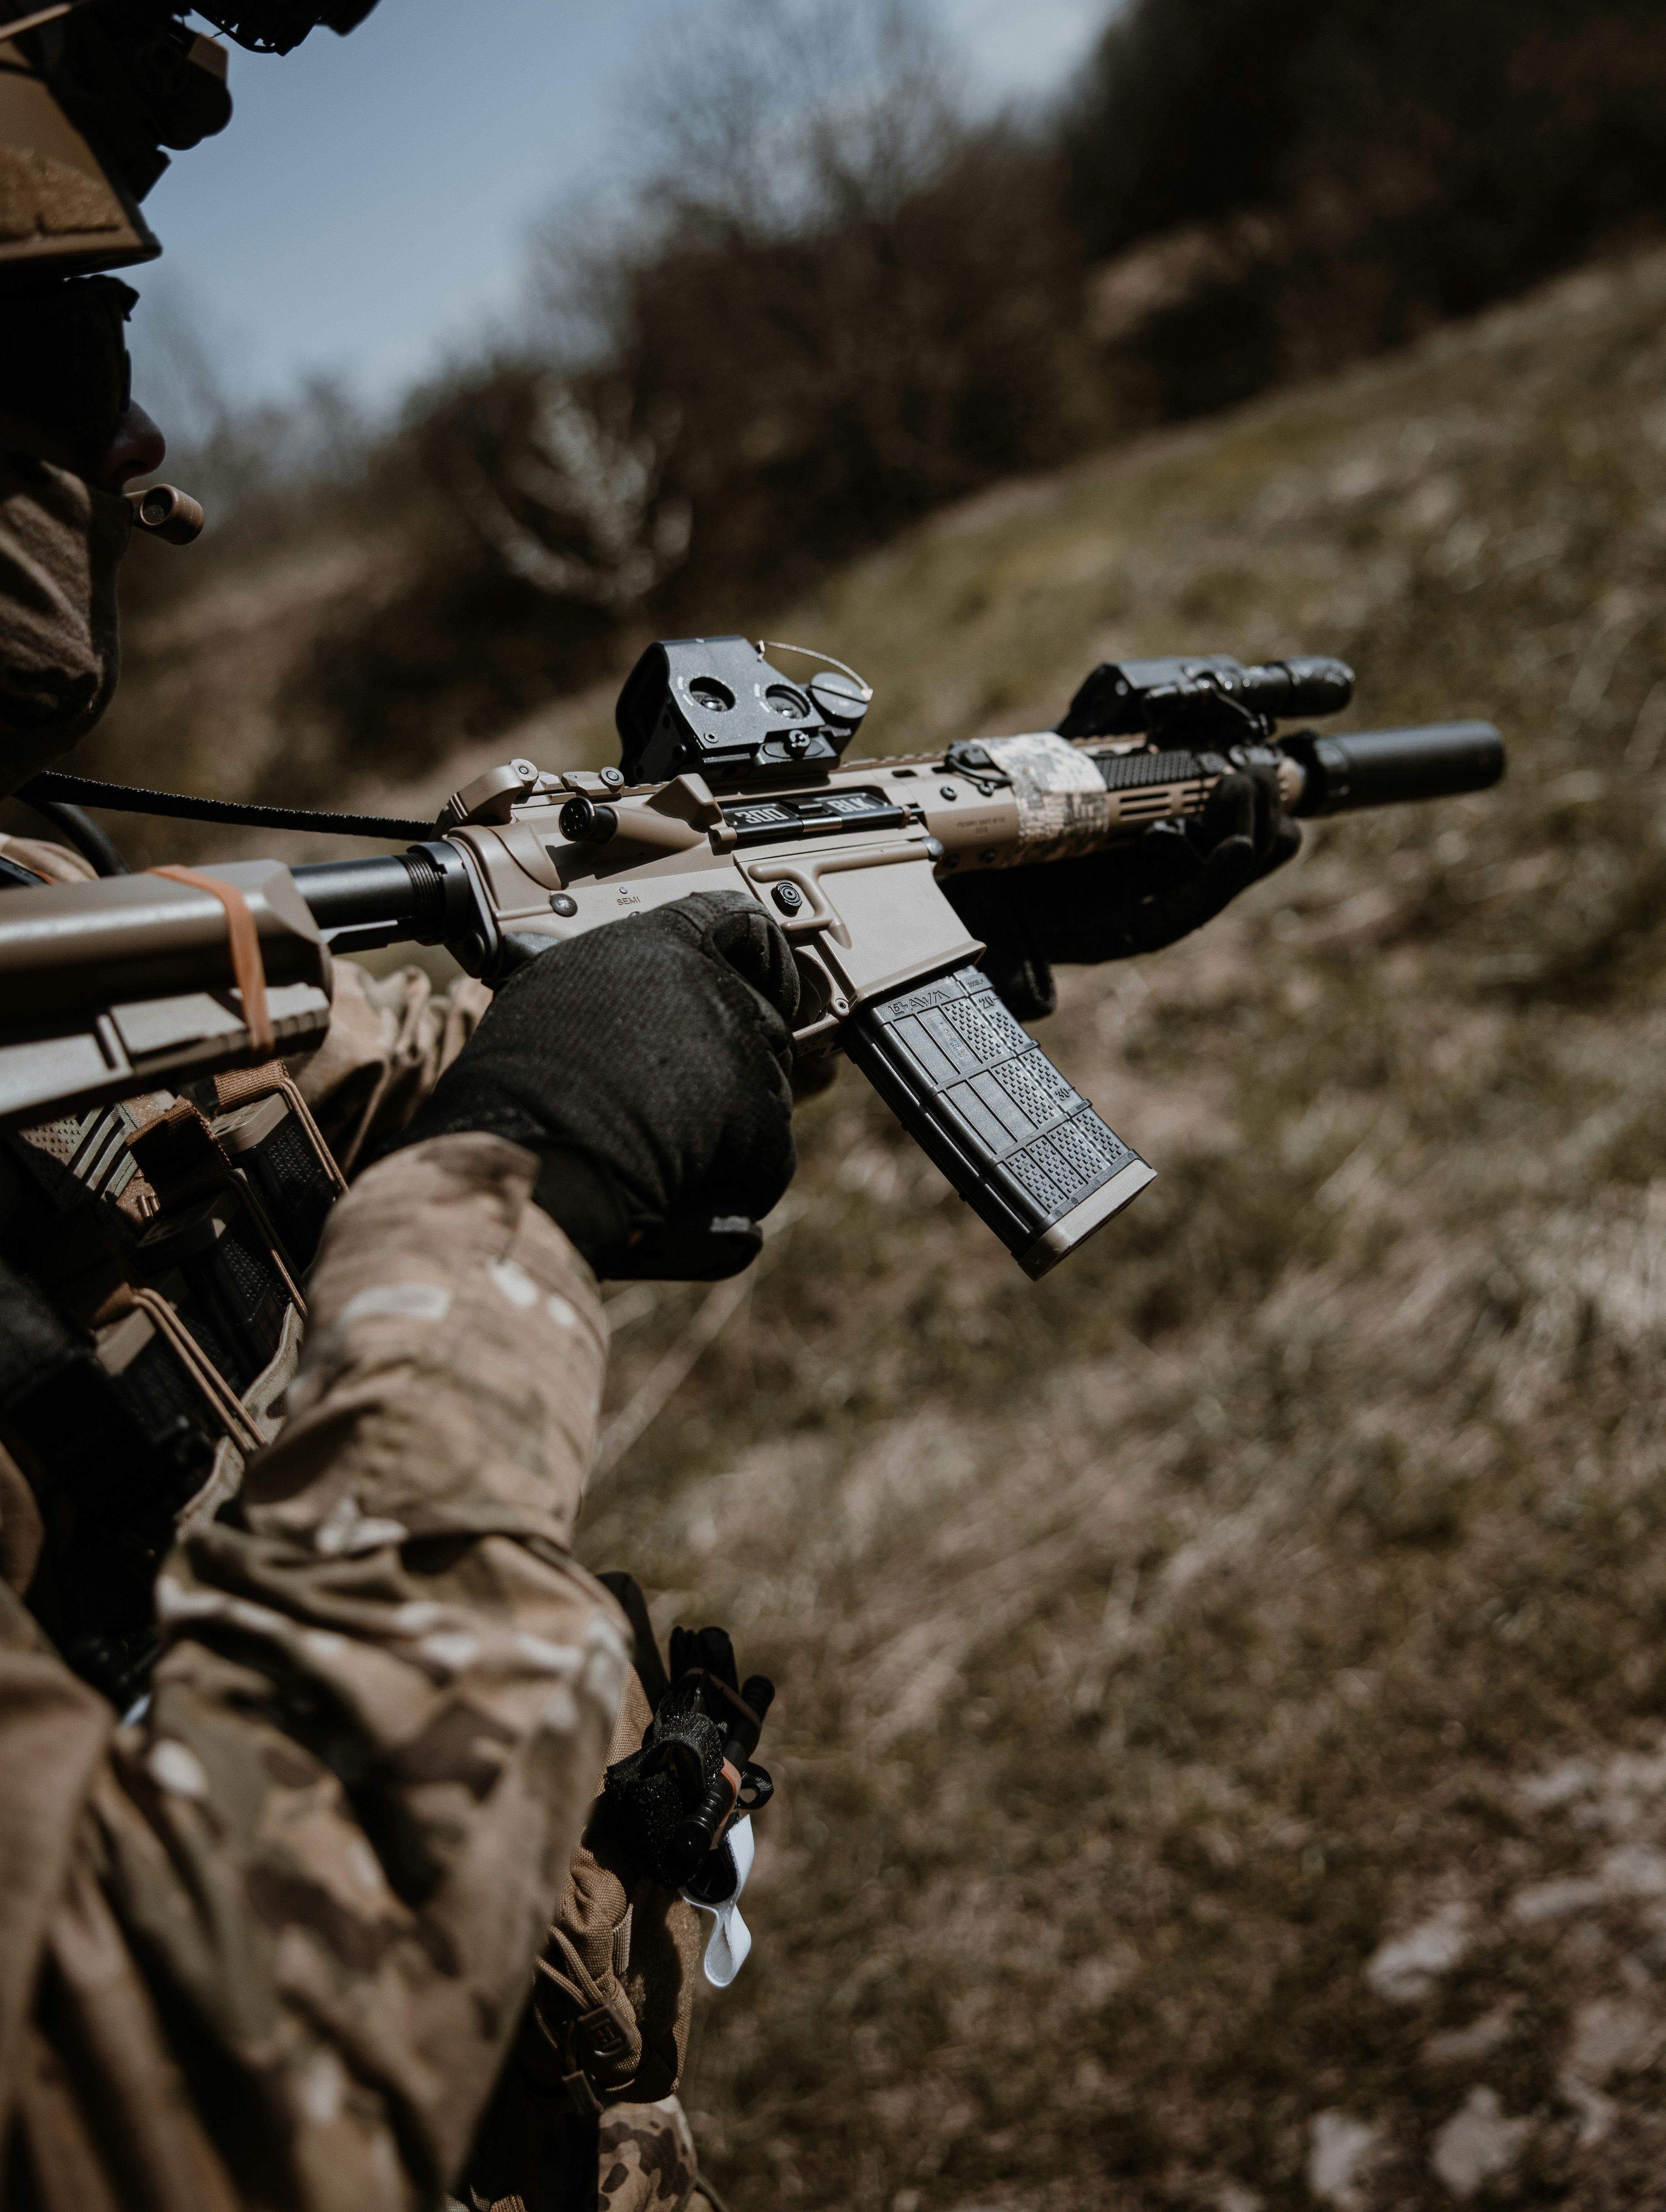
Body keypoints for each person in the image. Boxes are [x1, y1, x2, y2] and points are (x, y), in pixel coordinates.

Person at [0, 167, 1300, 2212]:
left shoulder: (32, 895)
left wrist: (926, 932)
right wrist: (519, 1190)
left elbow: (322, 1102)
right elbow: (150, 2090)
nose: (138, 437)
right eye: (64, 358)